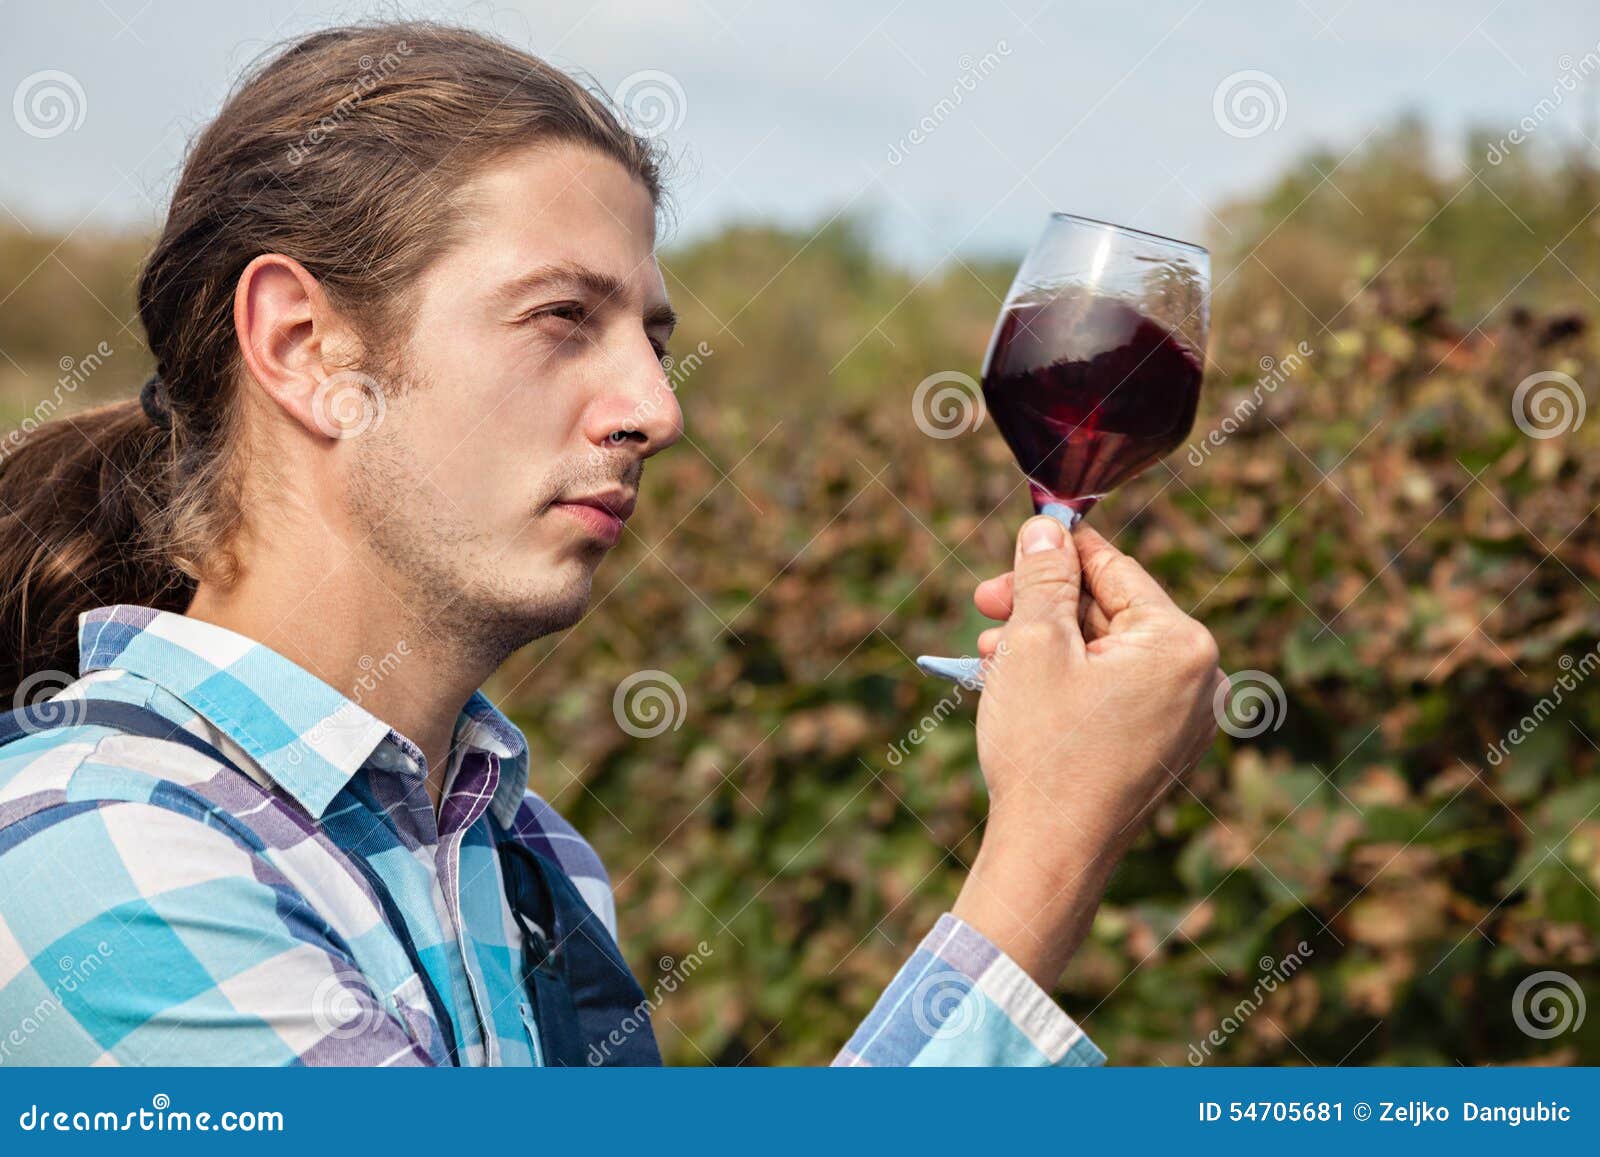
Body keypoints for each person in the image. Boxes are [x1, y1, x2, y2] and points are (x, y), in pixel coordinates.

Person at [0, 22, 1221, 1067]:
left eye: (651, 335)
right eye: (561, 317)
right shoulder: (103, 856)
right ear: (304, 346)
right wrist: (1047, 847)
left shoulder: (531, 866)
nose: (655, 407)